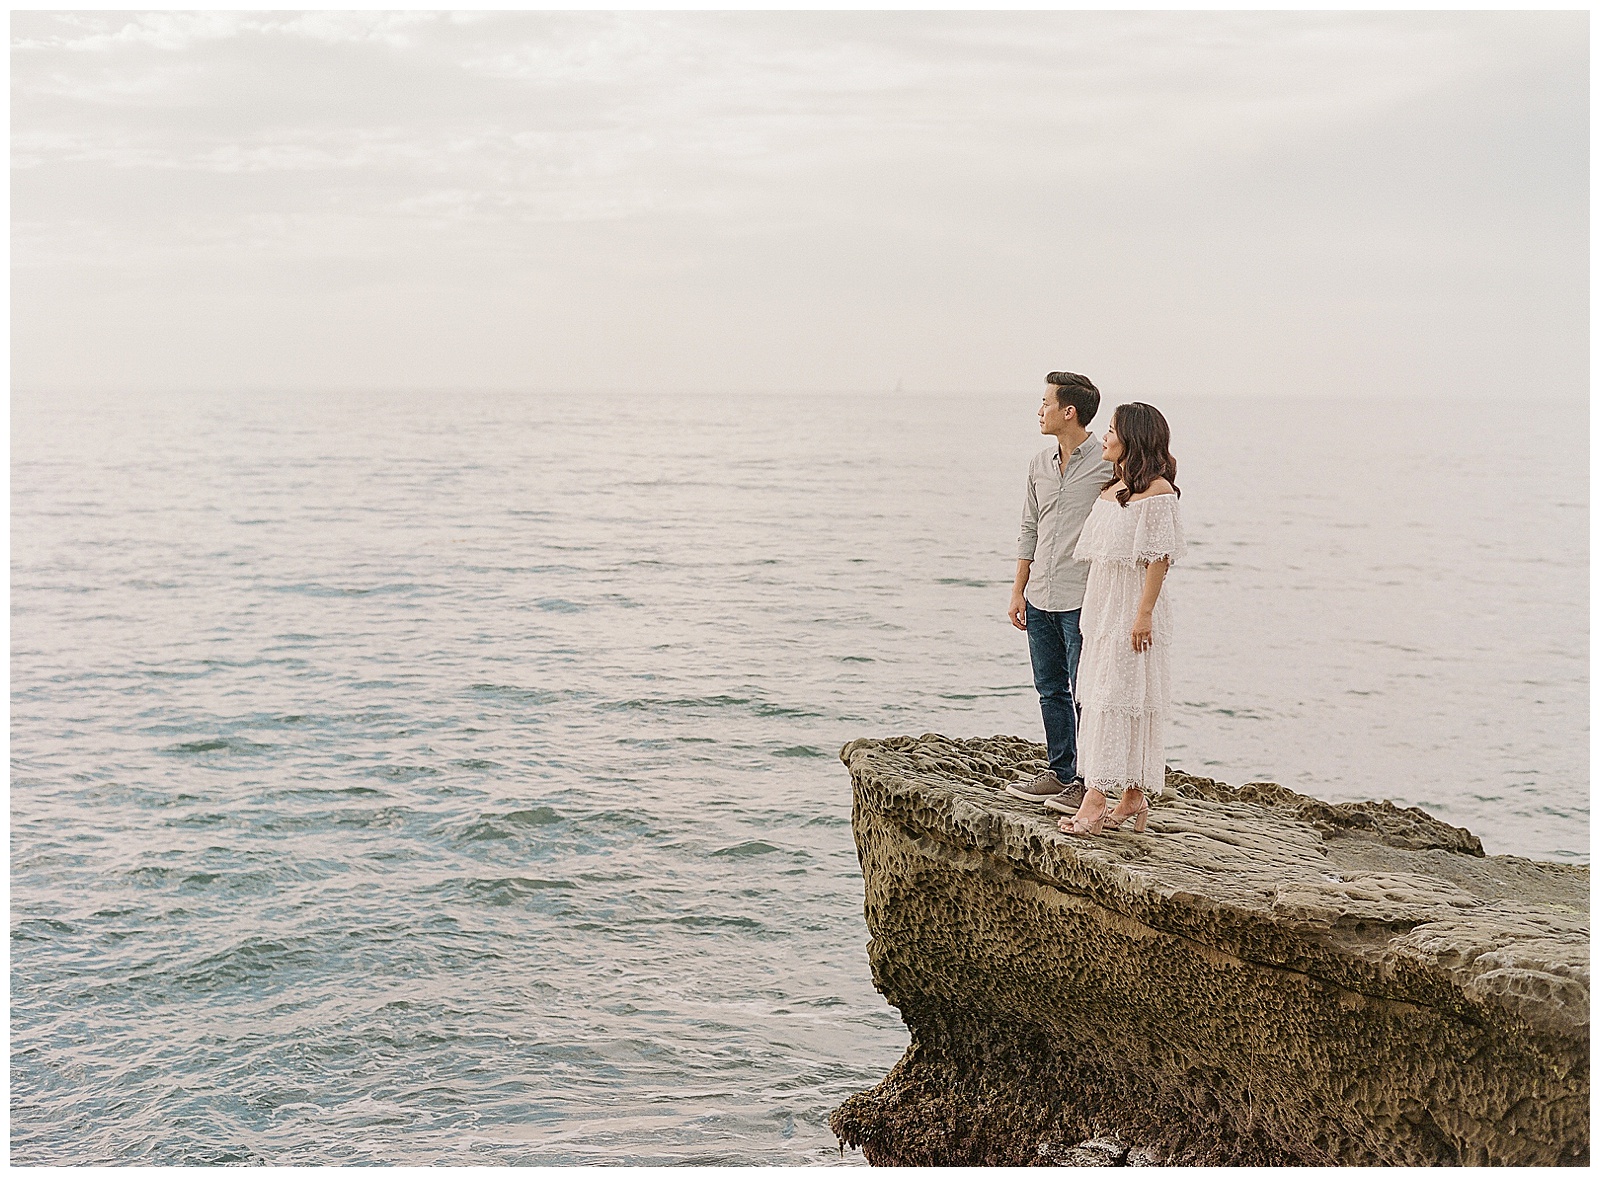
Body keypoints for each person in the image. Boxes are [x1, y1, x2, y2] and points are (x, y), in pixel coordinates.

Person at [1058, 401, 1185, 836]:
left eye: (1111, 430)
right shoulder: (1113, 490)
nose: (1105, 437)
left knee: (1121, 698)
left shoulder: (1159, 493)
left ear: (1132, 437)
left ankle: (1096, 797)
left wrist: (1144, 615)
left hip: (1133, 609)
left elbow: (1159, 559)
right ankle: (1131, 795)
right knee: (1104, 695)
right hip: (1104, 608)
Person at [1005, 372, 1115, 812]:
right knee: (1049, 689)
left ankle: (1089, 783)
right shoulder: (1038, 463)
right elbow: (1029, 528)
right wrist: (1018, 590)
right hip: (1040, 595)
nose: (1039, 410)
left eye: (1045, 402)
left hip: (1083, 597)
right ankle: (1060, 772)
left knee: (1086, 693)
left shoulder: (1109, 464)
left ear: (1069, 411)